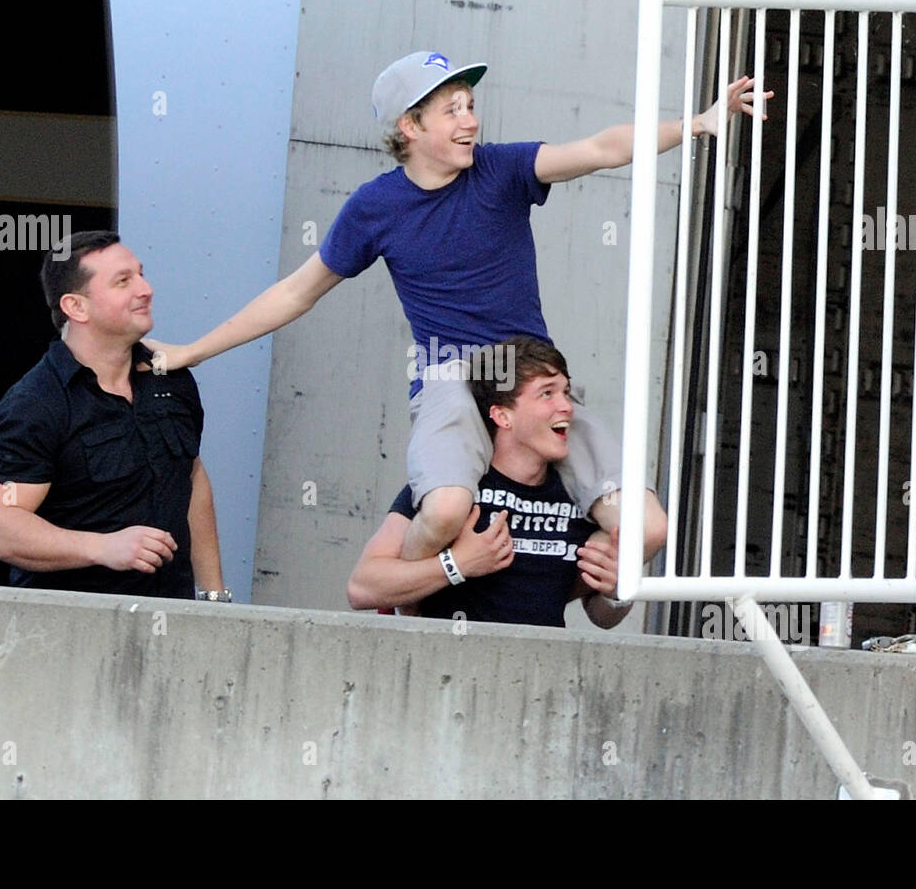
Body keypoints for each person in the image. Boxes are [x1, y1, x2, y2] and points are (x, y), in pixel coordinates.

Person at [148, 50, 768, 569]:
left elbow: (602, 148)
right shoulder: (374, 207)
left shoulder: (500, 170)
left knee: (646, 531)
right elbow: (295, 292)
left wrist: (699, 122)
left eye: (471, 105)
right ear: (410, 127)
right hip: (449, 372)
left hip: (528, 377)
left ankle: (562, 585)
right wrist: (190, 351)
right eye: (453, 110)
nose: (470, 119)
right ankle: (407, 589)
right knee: (444, 510)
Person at [0, 231, 230, 601]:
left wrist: (214, 597)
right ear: (76, 308)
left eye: (141, 274)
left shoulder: (171, 380)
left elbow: (191, 476)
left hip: (171, 622)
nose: (146, 289)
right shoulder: (35, 404)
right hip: (69, 633)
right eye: (123, 281)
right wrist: (102, 547)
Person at [347, 337, 650, 628]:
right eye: (547, 393)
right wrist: (458, 564)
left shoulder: (579, 497)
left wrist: (615, 593)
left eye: (566, 392)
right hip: (444, 670)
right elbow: (362, 588)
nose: (567, 406)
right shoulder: (457, 487)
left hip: (540, 672)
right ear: (502, 416)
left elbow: (602, 618)